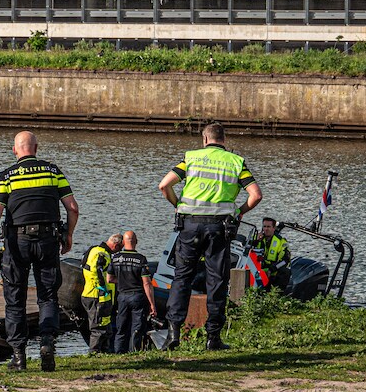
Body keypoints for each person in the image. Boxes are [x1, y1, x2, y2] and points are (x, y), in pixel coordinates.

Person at [158, 123, 262, 351]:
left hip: (189, 225)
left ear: (205, 140)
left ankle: (173, 334)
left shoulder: (191, 158)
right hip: (219, 228)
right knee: (217, 280)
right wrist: (240, 212)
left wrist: (178, 205)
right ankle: (213, 337)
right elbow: (256, 195)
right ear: (224, 140)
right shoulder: (236, 162)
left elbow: (164, 185)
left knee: (182, 278)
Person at [0, 131, 79, 372]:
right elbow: (73, 208)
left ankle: (19, 356)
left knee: (14, 298)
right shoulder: (52, 172)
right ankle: (47, 345)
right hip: (48, 240)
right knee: (48, 295)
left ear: (15, 150)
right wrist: (68, 234)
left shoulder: (8, 175)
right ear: (36, 148)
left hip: (17, 242)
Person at [108, 231, 156, 354]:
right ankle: (133, 351)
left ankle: (118, 352)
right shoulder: (141, 259)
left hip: (122, 296)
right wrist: (152, 304)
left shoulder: (115, 258)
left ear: (123, 242)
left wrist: (123, 281)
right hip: (137, 296)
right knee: (137, 327)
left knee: (121, 327)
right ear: (136, 242)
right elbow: (147, 283)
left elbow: (110, 279)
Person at [81, 234, 122, 354]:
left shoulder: (94, 249)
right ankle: (94, 353)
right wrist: (103, 294)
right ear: (115, 245)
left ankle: (105, 352)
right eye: (120, 248)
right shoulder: (102, 255)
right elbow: (98, 276)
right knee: (98, 328)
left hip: (93, 294)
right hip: (97, 296)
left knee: (106, 327)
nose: (119, 251)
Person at [253, 217, 292, 290]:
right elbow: (247, 250)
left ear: (274, 228)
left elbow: (285, 260)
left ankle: (277, 295)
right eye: (264, 226)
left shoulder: (281, 241)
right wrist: (256, 241)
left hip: (273, 272)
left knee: (285, 272)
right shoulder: (256, 238)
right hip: (257, 270)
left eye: (269, 227)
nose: (266, 229)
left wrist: (271, 269)